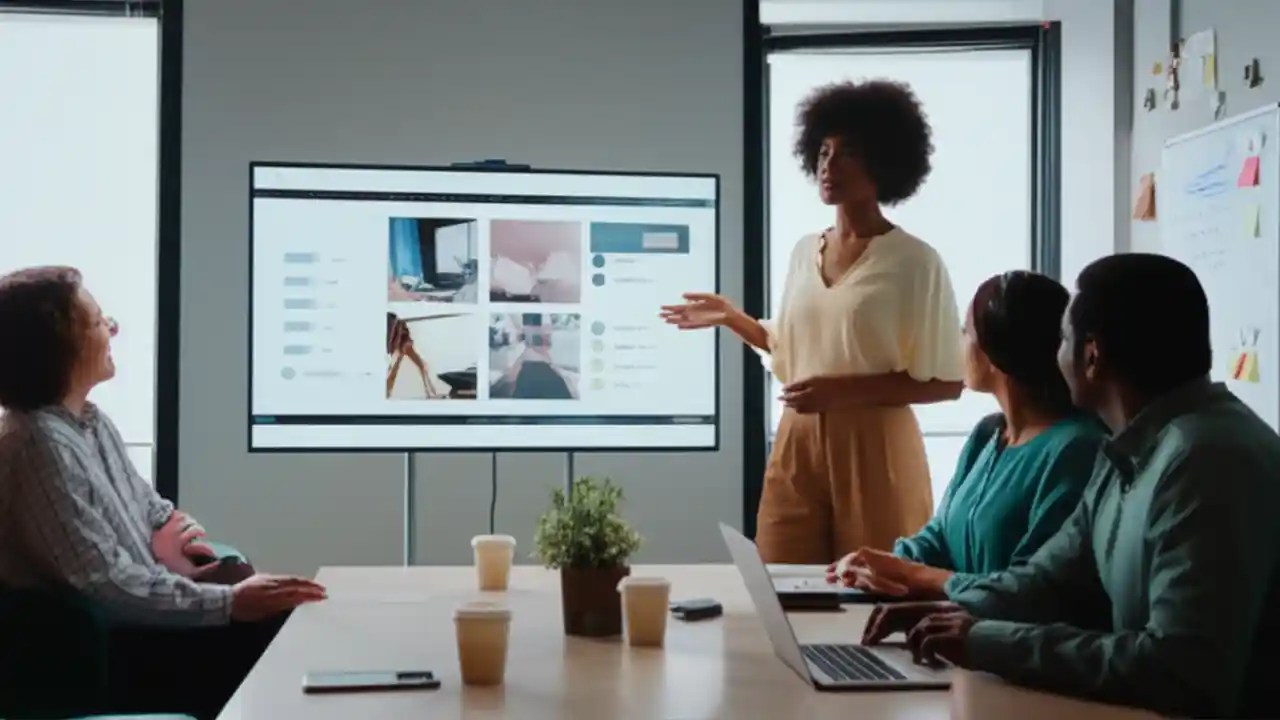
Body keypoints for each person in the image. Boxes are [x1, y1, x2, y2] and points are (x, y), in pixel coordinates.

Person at [862, 254, 1280, 719]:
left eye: (1062, 337)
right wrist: (948, 607)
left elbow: (1180, 668)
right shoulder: (1130, 447)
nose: (1052, 354)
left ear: (1092, 355)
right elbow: (1048, 579)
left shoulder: (1204, 459)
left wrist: (987, 640)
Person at [0, 266, 327, 719]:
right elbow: (104, 584)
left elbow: (153, 511)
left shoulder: (90, 423)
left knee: (271, 599)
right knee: (276, 626)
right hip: (111, 649)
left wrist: (179, 544)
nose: (113, 328)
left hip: (140, 619)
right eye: (97, 321)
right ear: (57, 347)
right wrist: (228, 603)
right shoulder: (38, 445)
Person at [662, 79, 965, 562]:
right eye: (823, 152)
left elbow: (947, 381)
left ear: (884, 161)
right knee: (782, 583)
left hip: (876, 444)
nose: (829, 165)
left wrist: (845, 392)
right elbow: (792, 355)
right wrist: (733, 318)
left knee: (875, 591)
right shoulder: (805, 251)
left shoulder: (915, 261)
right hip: (797, 437)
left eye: (848, 153)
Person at [826, 271, 1106, 598]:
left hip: (1003, 640)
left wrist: (915, 575)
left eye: (966, 332)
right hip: (949, 625)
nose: (959, 341)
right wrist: (878, 565)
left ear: (994, 349)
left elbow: (1030, 588)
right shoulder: (988, 434)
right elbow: (940, 535)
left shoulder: (1077, 449)